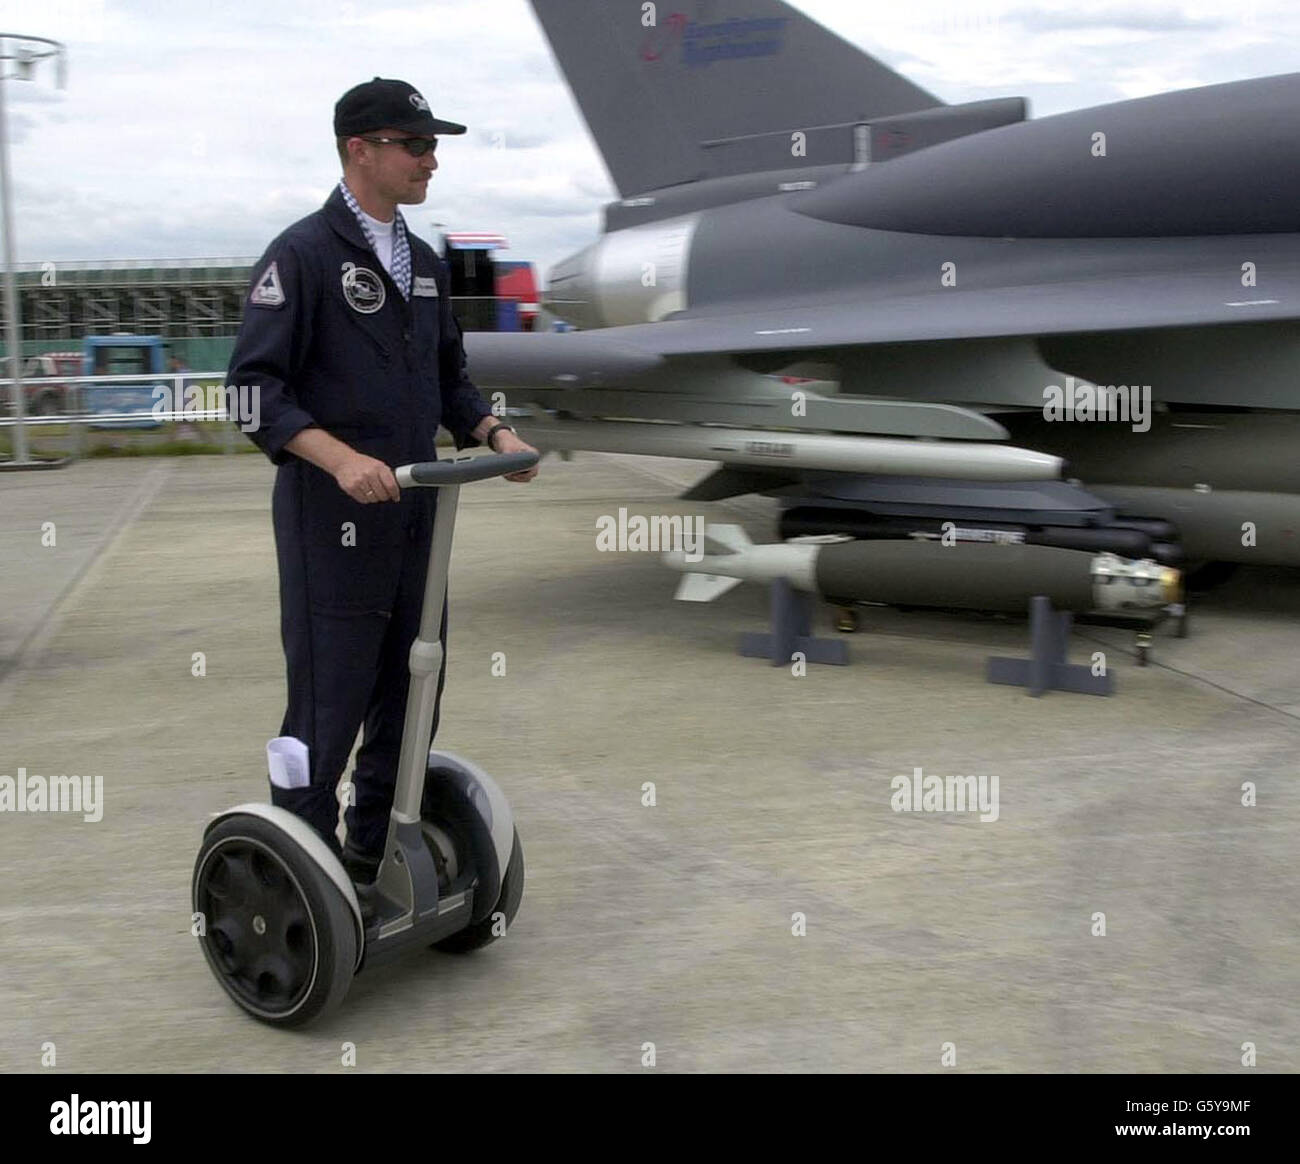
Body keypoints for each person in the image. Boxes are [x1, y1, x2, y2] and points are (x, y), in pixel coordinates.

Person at [227, 76, 539, 885]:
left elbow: (451, 381)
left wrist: (496, 432)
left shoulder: (426, 265)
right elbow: (251, 391)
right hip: (331, 519)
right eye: (416, 144)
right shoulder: (301, 255)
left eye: (435, 145)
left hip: (417, 515)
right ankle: (299, 865)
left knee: (414, 687)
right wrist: (339, 458)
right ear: (359, 149)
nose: (432, 160)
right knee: (328, 706)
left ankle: (370, 847)